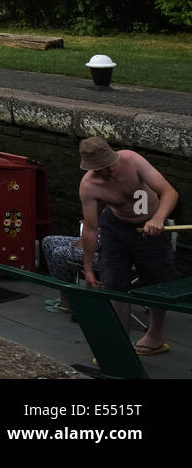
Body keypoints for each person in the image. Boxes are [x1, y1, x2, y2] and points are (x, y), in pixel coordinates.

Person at [79, 136, 179, 355]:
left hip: (151, 226)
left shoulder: (132, 160)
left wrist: (158, 218)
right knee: (114, 282)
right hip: (115, 228)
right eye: (101, 170)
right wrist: (87, 267)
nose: (108, 172)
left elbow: (169, 192)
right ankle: (119, 341)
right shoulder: (89, 186)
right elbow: (89, 228)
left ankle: (155, 335)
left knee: (156, 281)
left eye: (109, 165)